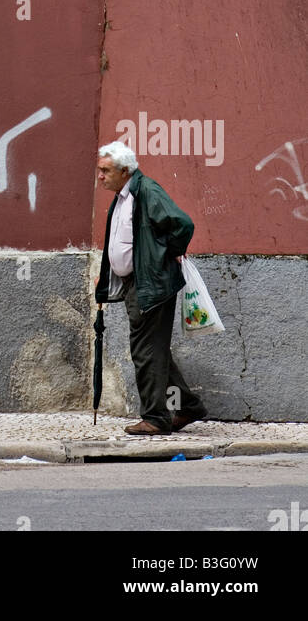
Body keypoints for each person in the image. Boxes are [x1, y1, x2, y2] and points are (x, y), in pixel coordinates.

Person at [95, 140, 207, 435]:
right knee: (153, 350)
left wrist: (166, 254)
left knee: (145, 351)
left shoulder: (146, 191)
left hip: (151, 283)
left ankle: (156, 418)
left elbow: (182, 224)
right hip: (136, 282)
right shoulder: (123, 196)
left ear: (124, 170)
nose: (100, 176)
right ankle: (187, 407)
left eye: (105, 170)